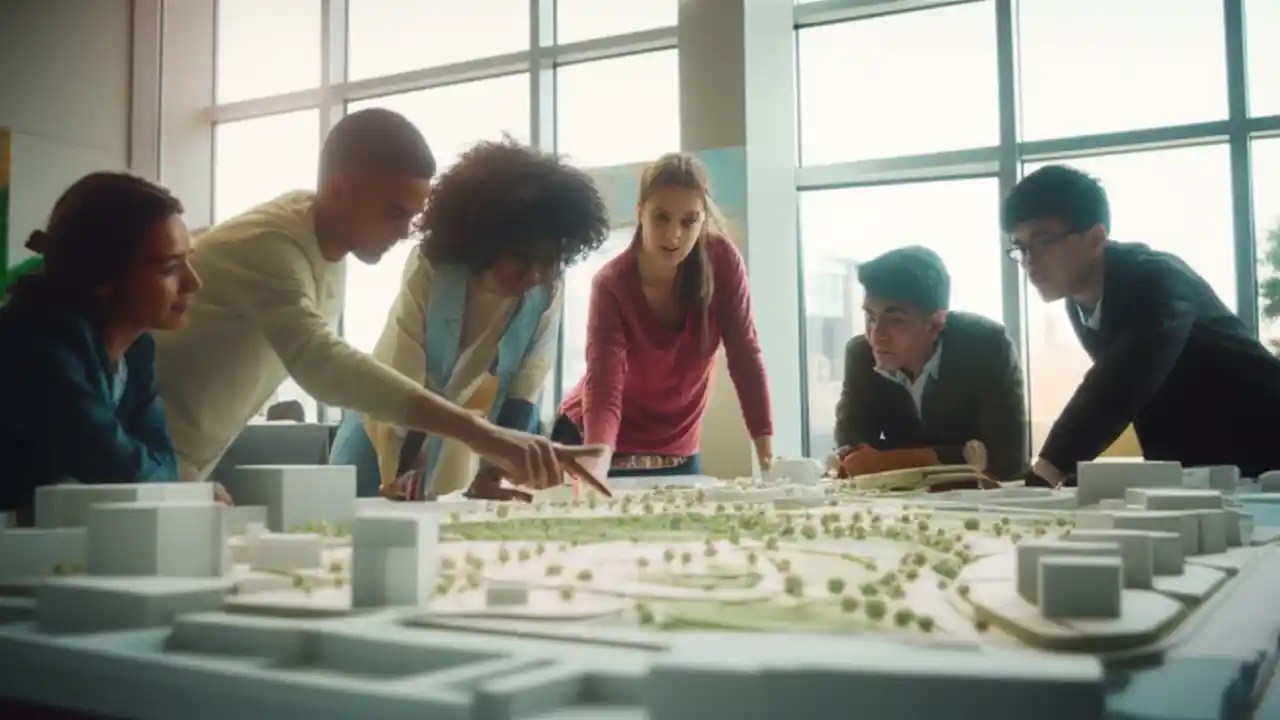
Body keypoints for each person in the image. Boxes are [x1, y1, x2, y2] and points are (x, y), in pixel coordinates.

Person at [154, 108, 603, 497]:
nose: (407, 230)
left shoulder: (327, 247)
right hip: (127, 455)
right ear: (339, 190)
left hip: (168, 463)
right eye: (394, 211)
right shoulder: (272, 248)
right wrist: (484, 436)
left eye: (412, 214)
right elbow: (324, 366)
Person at [330, 139, 611, 501]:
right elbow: (405, 376)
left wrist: (499, 472)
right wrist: (398, 470)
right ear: (486, 243)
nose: (534, 275)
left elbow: (524, 389)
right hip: (382, 421)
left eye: (547, 262)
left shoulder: (545, 290)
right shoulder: (431, 267)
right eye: (522, 260)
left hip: (458, 437)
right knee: (347, 527)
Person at [1003, 164, 1280, 485]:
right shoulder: (1078, 301)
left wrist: (1049, 468)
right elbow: (1145, 399)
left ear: (1096, 237)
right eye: (1020, 247)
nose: (1029, 261)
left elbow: (1124, 380)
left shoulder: (1157, 279)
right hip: (1215, 462)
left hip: (1268, 442)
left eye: (1044, 240)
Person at [555, 152, 774, 476]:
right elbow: (604, 385)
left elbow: (745, 356)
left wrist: (767, 456)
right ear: (640, 213)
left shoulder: (723, 263)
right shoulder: (611, 284)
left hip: (677, 450)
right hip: (596, 442)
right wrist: (597, 463)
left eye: (689, 221)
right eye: (661, 217)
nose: (674, 235)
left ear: (703, 221)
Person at [0, 172, 201, 517]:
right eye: (169, 267)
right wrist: (180, 490)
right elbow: (117, 471)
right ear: (101, 273)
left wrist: (173, 485)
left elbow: (162, 464)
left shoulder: (136, 349)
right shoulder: (33, 341)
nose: (194, 282)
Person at [833, 246, 1027, 482]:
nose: (877, 335)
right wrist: (965, 453)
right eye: (871, 317)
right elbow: (853, 453)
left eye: (895, 320)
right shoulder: (861, 354)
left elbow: (1006, 459)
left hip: (983, 500)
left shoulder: (984, 345)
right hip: (900, 501)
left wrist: (886, 461)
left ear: (935, 325)